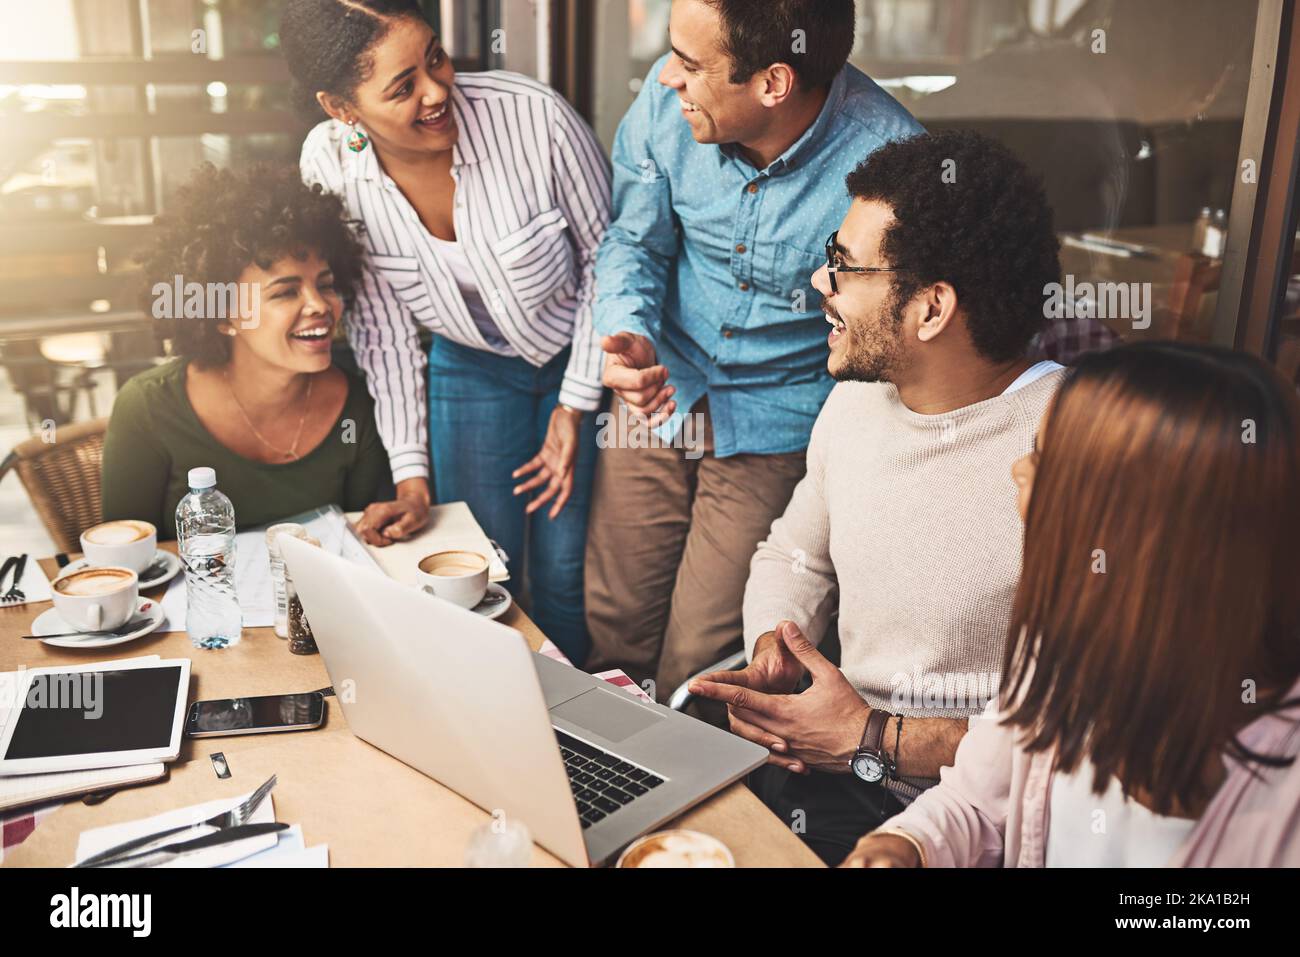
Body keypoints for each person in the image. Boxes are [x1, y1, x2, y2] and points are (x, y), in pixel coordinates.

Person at [688, 129, 1067, 865]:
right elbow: (794, 554)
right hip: (839, 777)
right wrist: (779, 651)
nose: (818, 285)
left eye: (843, 267)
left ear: (931, 308)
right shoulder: (856, 406)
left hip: (983, 828)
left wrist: (871, 735)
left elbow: (1080, 739)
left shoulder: (1076, 452)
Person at [842, 343, 1300, 868]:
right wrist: (904, 847)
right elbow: (975, 802)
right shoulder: (1059, 652)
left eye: (1047, 457)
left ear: (1138, 524)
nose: (1019, 470)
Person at [586, 0, 923, 703]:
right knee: (613, 623)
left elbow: (888, 345)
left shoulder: (892, 164)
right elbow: (634, 240)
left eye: (691, 63)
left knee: (702, 663)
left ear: (773, 82)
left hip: (777, 421)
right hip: (659, 389)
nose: (667, 78)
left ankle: (686, 812)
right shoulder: (664, 102)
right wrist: (629, 330)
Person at [284, 0, 611, 661]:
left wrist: (577, 401)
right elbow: (379, 322)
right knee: (473, 572)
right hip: (470, 367)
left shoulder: (533, 117)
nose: (438, 91)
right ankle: (490, 728)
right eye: (402, 87)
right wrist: (411, 475)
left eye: (434, 56)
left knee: (562, 575)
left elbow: (612, 261)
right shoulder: (330, 164)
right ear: (341, 108)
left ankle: (576, 739)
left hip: (584, 357)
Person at [102, 163, 392, 538]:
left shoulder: (357, 407)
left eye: (326, 284)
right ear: (224, 316)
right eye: (286, 292)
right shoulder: (148, 408)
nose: (320, 305)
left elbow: (361, 545)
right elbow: (124, 559)